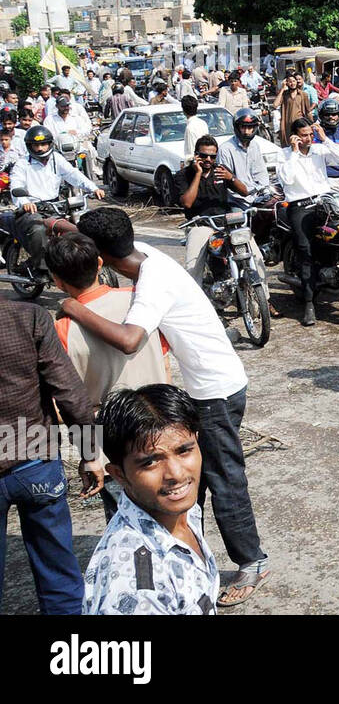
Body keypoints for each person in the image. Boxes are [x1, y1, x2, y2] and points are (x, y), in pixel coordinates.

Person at [64, 207, 270, 607]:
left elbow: (129, 340)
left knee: (222, 477)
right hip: (207, 385)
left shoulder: (152, 284)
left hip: (215, 392)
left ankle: (252, 562)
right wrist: (56, 225)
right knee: (195, 484)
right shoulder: (143, 252)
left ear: (102, 258)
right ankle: (195, 554)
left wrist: (75, 308)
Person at [48, 231, 170, 520]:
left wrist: (89, 454)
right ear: (100, 263)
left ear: (56, 280)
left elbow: (66, 404)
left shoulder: (63, 330)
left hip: (112, 448)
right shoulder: (140, 303)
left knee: (127, 528)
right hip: (162, 427)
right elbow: (165, 369)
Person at [0, 292, 101, 614]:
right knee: (59, 571)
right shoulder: (28, 316)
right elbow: (70, 392)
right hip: (34, 462)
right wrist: (89, 453)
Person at [82, 384, 219, 614]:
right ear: (118, 475)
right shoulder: (139, 592)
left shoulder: (179, 510)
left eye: (184, 450)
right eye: (150, 462)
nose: (176, 474)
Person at [279, 117, 339, 325]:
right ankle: (309, 303)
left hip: (324, 203)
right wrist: (294, 152)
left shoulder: (319, 150)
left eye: (310, 134)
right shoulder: (284, 155)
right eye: (304, 135)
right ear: (294, 136)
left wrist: (324, 138)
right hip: (299, 206)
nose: (309, 139)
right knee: (306, 251)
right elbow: (288, 179)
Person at [10, 125, 103, 277]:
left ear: (50, 144)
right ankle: (41, 269)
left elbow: (73, 174)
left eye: (43, 144)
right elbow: (16, 184)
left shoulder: (56, 159)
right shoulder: (22, 164)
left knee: (78, 227)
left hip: (54, 206)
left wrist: (93, 188)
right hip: (31, 209)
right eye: (36, 145)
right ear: (29, 146)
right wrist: (24, 202)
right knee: (38, 230)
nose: (40, 148)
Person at [180, 135, 247, 283]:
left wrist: (231, 178)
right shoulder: (184, 175)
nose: (208, 160)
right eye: (204, 156)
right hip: (200, 225)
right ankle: (195, 302)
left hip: (225, 223)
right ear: (196, 155)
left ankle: (261, 300)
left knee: (253, 253)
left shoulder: (221, 171)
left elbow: (244, 192)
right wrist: (198, 173)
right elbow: (187, 203)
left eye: (212, 156)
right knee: (193, 267)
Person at [218, 108, 277, 205]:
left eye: (250, 128)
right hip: (236, 200)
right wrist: (249, 192)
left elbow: (261, 174)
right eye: (243, 127)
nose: (246, 131)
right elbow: (227, 183)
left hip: (257, 197)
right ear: (237, 127)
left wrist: (263, 192)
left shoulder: (255, 146)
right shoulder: (225, 149)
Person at [275, 72, 312, 146]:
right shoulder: (284, 94)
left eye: (294, 81)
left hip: (299, 124)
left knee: (301, 143)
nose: (292, 83)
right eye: (290, 81)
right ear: (287, 83)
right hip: (287, 125)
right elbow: (275, 105)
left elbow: (308, 111)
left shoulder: (303, 95)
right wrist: (282, 88)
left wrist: (311, 124)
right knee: (288, 145)